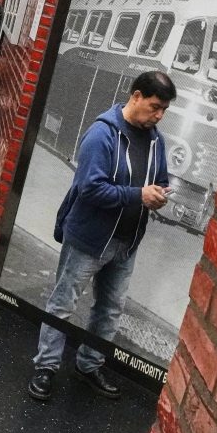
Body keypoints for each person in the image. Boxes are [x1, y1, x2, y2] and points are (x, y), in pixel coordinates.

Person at [28, 71, 177, 403]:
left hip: (126, 244)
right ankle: (46, 367)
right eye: (155, 107)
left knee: (110, 308)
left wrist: (161, 193)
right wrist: (138, 195)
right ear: (135, 96)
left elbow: (162, 178)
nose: (159, 116)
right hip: (89, 239)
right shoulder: (102, 135)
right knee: (63, 304)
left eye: (164, 110)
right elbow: (90, 189)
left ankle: (89, 364)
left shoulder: (156, 140)